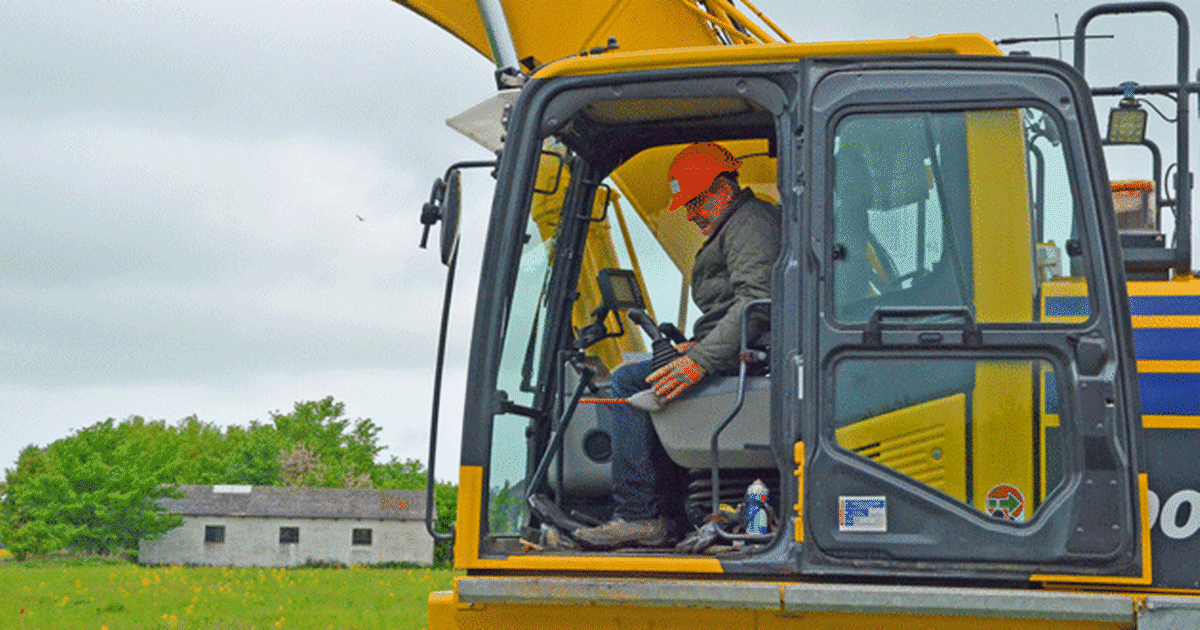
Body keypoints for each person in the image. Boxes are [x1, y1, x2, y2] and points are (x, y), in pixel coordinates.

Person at [573, 142, 781, 550]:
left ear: (722, 190)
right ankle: (669, 514)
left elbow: (757, 304)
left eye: (694, 202)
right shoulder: (739, 224)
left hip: (752, 358)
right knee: (642, 369)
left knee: (628, 381)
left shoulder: (749, 224)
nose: (688, 213)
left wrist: (700, 360)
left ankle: (641, 516)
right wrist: (694, 346)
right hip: (738, 350)